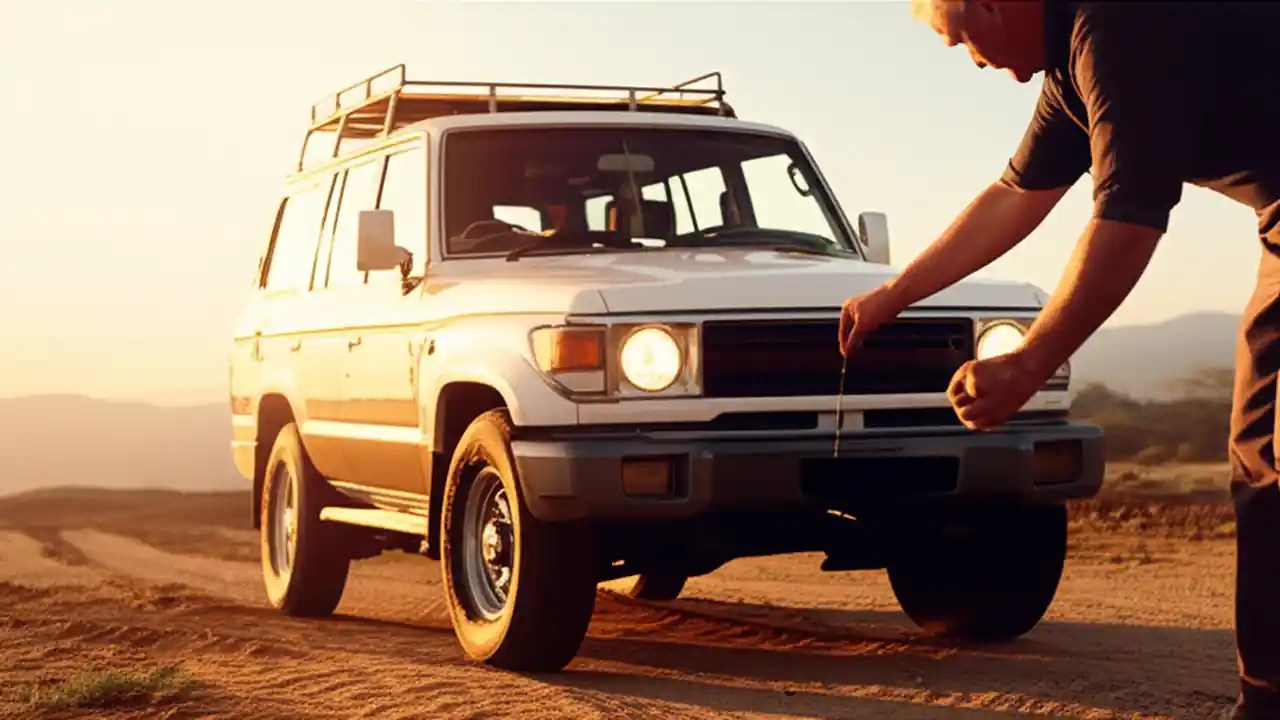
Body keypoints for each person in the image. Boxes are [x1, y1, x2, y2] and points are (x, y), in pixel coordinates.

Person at [838, 1, 1280, 717]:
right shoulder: (1074, 70)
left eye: (962, 40)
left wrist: (1031, 361)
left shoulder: (1119, 25)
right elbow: (1016, 195)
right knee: (1262, 451)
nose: (974, 61)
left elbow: (1129, 217)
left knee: (1271, 464)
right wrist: (892, 295)